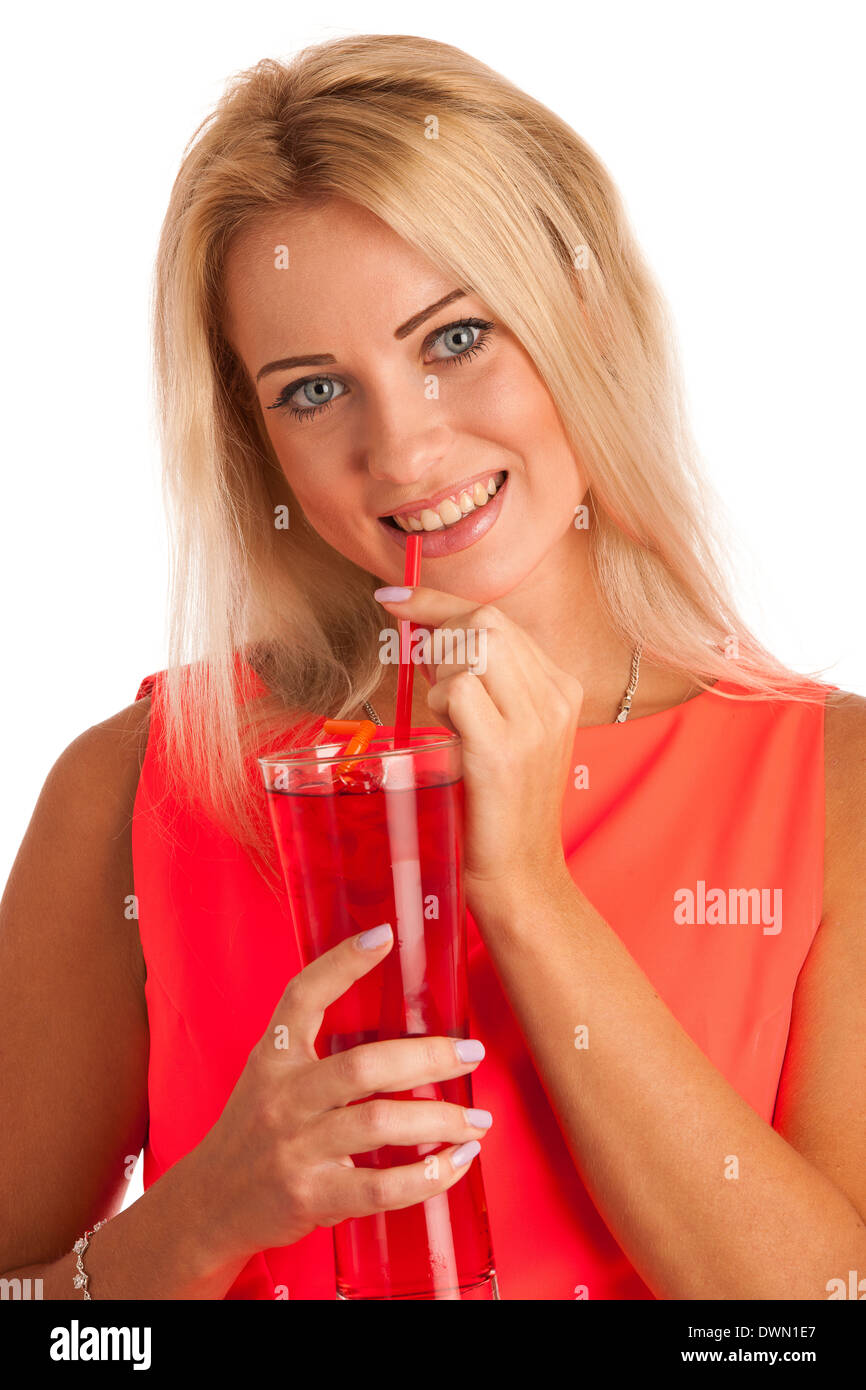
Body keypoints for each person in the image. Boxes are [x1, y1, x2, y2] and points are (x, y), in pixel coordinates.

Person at [1, 33, 864, 1302]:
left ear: (582, 311)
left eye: (454, 337)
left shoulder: (826, 786)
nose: (402, 450)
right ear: (257, 444)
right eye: (310, 392)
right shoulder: (138, 789)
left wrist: (524, 892)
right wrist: (197, 1220)